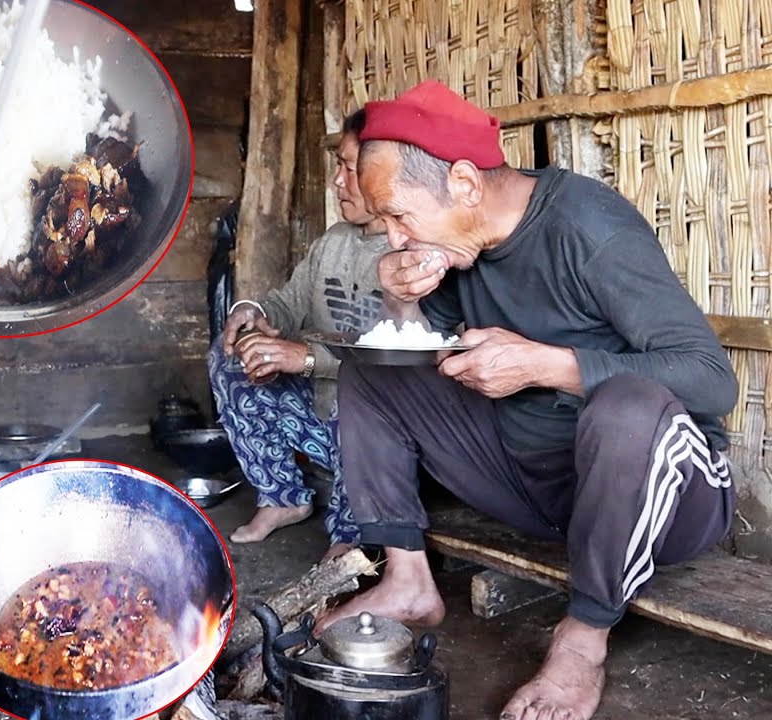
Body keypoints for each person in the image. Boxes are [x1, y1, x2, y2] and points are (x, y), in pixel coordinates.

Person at [316, 80, 737, 720]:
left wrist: (545, 366)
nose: (396, 239)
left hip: (658, 500)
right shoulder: (461, 248)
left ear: (462, 183)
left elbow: (711, 378)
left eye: (400, 217)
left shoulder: (588, 228)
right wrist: (400, 298)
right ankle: (407, 579)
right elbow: (421, 343)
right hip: (536, 489)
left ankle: (584, 638)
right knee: (372, 372)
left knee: (627, 408)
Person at [207, 109, 389, 557]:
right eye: (338, 166)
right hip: (318, 424)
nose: (337, 181)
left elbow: (398, 359)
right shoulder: (334, 242)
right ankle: (283, 496)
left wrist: (304, 357)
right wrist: (253, 315)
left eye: (350, 168)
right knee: (230, 358)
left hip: (380, 445)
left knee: (364, 403)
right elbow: (289, 303)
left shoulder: (414, 256)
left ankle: (351, 534)